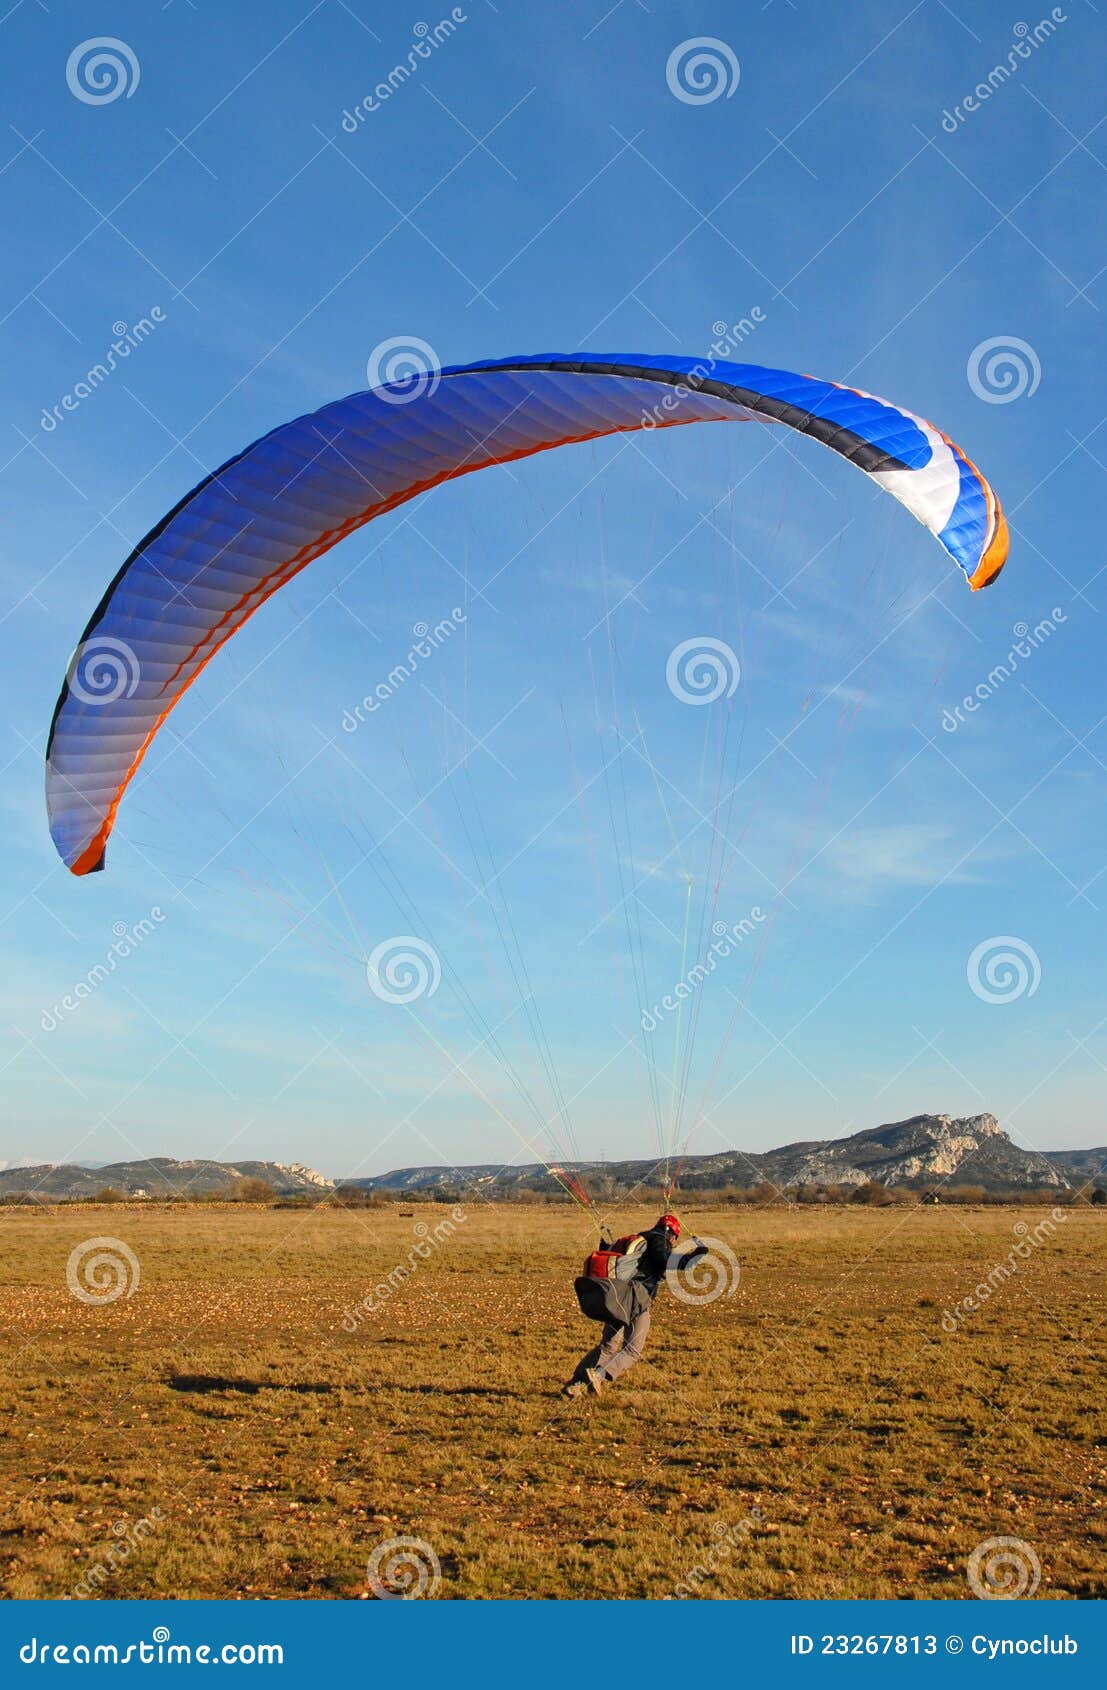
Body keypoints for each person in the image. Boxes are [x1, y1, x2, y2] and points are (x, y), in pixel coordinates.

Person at [563, 1213, 709, 1397]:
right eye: (673, 1238)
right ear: (670, 1233)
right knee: (632, 1350)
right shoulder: (657, 1240)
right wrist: (696, 1256)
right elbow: (667, 1261)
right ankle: (598, 1374)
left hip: (617, 1296)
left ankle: (575, 1383)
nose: (672, 1242)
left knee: (608, 1345)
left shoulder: (640, 1238)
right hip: (636, 1300)